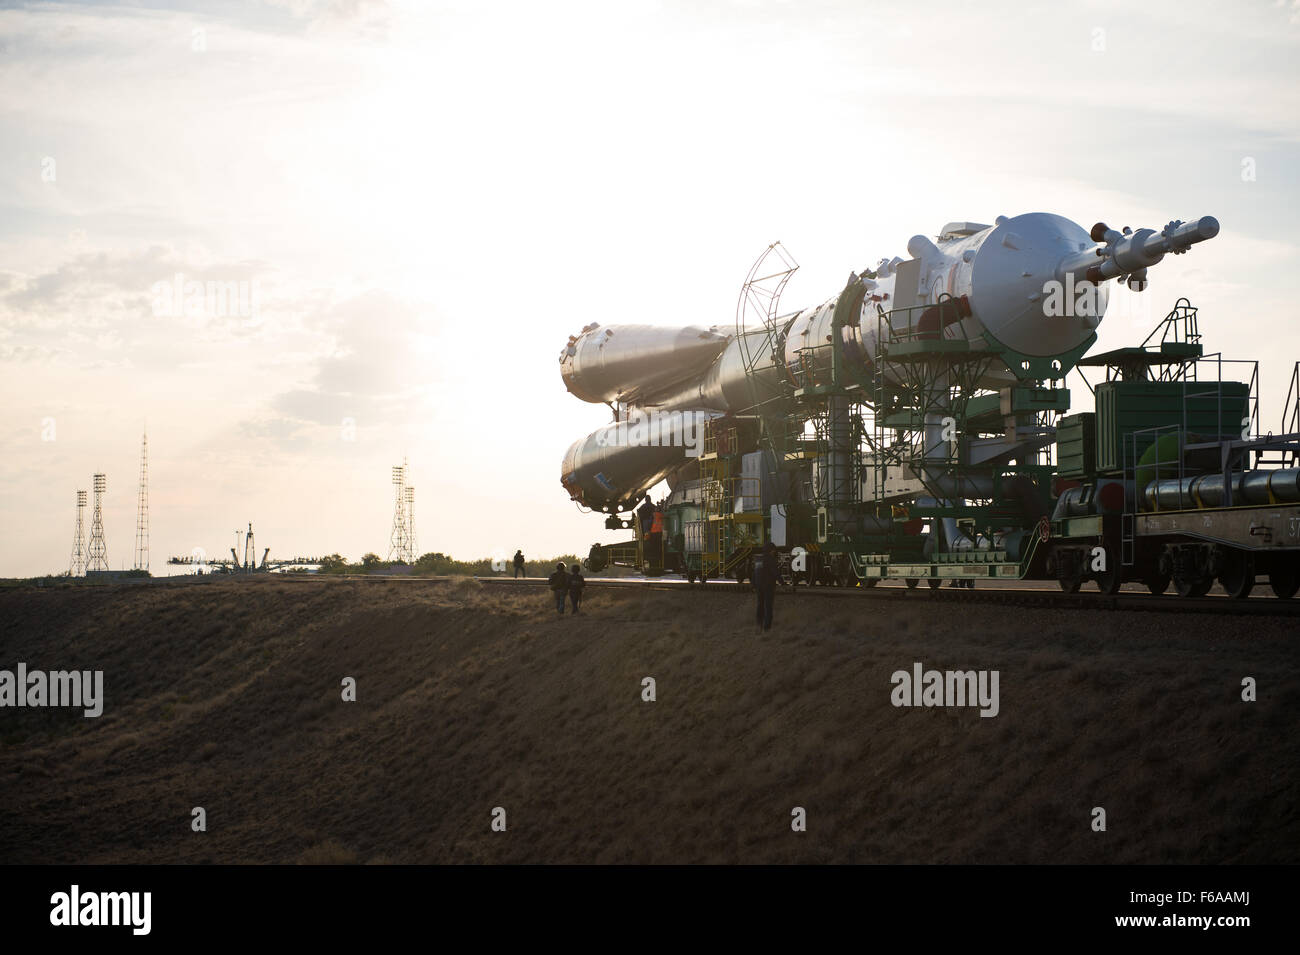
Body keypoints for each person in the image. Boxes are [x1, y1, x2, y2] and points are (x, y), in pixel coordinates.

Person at [754, 540, 780, 631]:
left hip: (759, 586)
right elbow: (775, 572)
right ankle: (767, 627)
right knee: (768, 606)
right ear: (771, 550)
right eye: (773, 550)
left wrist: (754, 585)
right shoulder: (770, 559)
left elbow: (754, 574)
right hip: (768, 586)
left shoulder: (758, 559)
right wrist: (782, 582)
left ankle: (758, 623)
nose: (774, 552)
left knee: (760, 604)